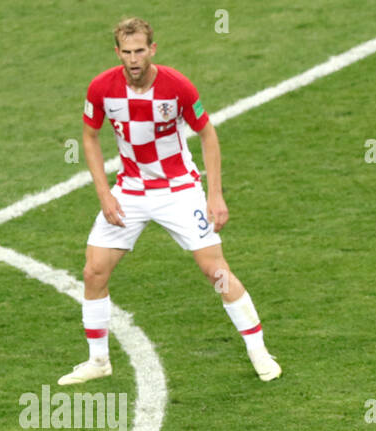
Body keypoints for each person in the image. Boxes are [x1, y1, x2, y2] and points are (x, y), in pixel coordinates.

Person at [60, 16, 281, 386]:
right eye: (126, 52)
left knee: (216, 272)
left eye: (140, 51)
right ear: (118, 52)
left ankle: (259, 351)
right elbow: (89, 136)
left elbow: (207, 134)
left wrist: (214, 193)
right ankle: (98, 360)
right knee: (93, 271)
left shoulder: (177, 87)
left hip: (178, 190)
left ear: (153, 49)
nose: (133, 59)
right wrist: (103, 193)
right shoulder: (102, 88)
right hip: (129, 191)